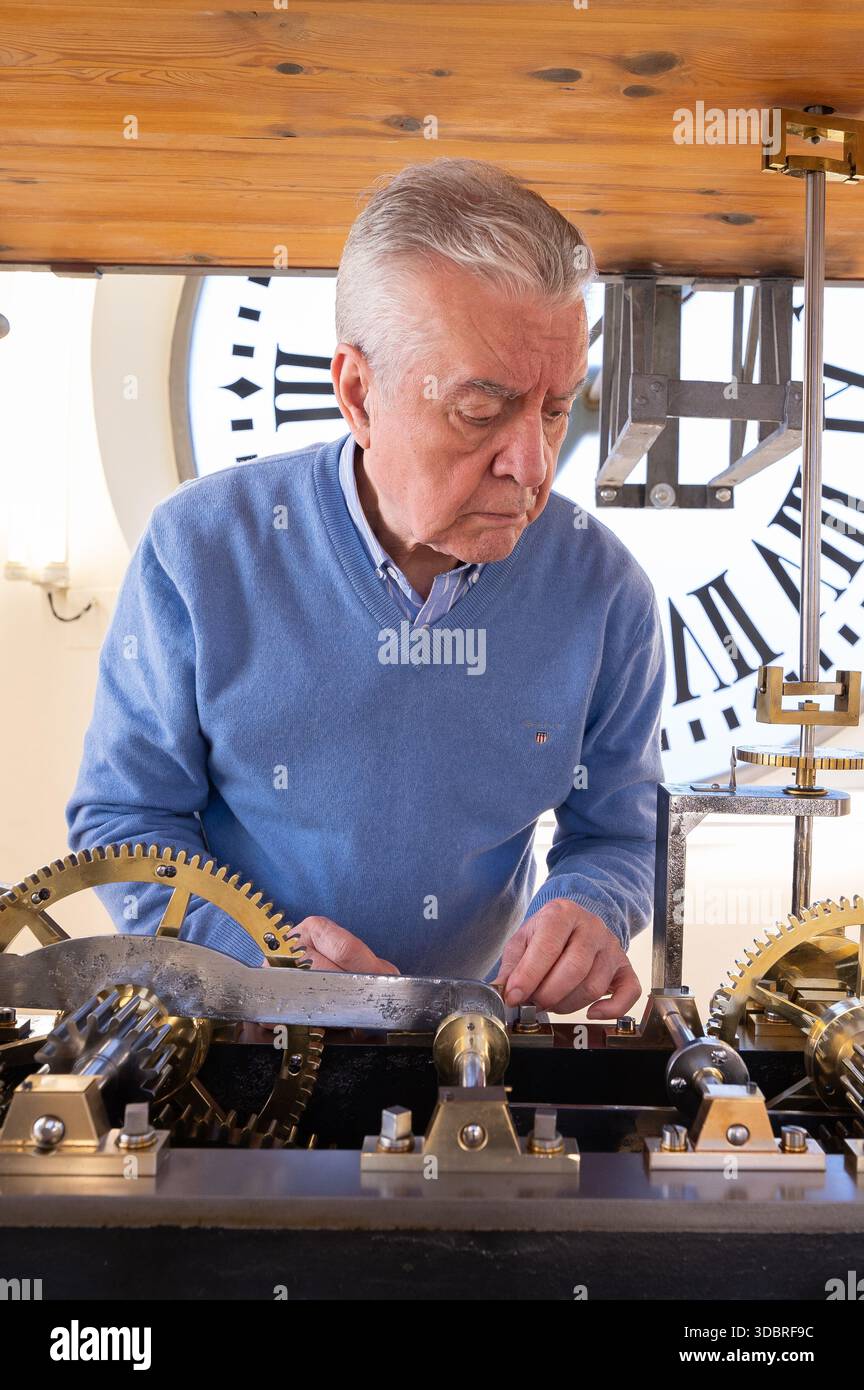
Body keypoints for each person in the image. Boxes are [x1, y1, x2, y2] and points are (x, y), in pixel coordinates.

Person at [67, 158, 665, 1019]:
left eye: (557, 407)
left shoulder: (607, 594)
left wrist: (595, 906)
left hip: (470, 1047)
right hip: (241, 1039)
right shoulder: (198, 551)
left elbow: (618, 832)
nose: (533, 465)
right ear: (358, 392)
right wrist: (266, 966)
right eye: (481, 410)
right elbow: (125, 823)